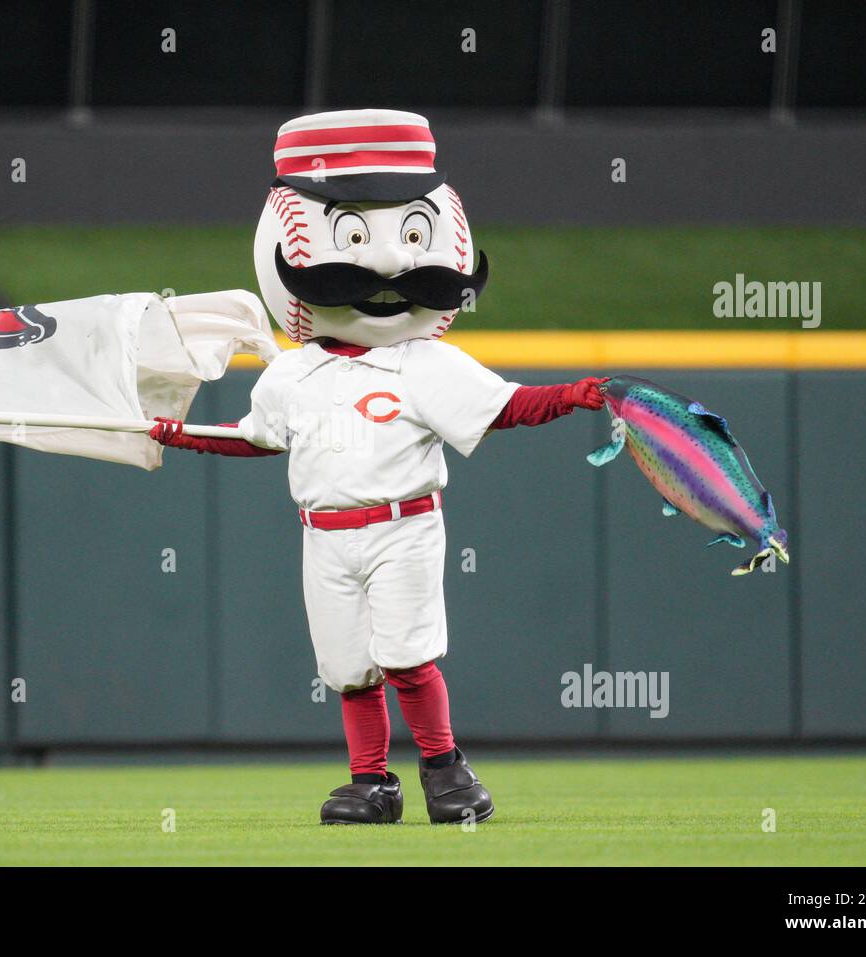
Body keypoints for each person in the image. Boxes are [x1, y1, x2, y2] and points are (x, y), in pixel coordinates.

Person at [150, 109, 607, 824]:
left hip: (403, 526)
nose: (389, 265)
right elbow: (254, 438)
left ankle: (445, 769)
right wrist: (181, 436)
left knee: (406, 656)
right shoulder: (292, 373)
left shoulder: (423, 362)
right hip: (325, 533)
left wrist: (576, 394)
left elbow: (507, 406)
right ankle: (371, 782)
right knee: (346, 668)